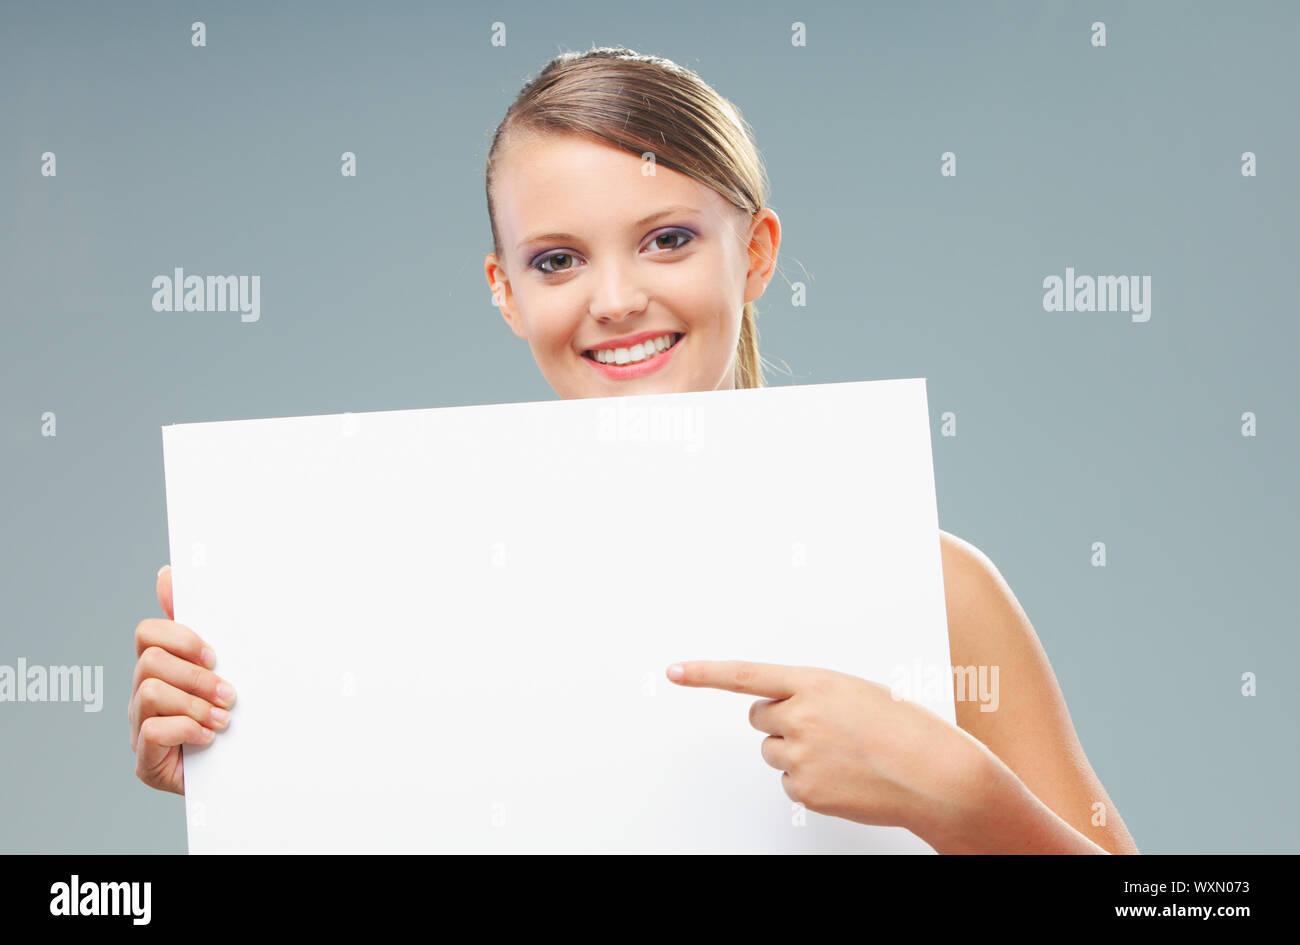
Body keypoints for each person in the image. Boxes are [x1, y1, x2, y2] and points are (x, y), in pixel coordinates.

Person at [131, 45, 1139, 854]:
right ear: (505, 291)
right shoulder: (400, 602)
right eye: (557, 259)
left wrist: (964, 799)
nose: (615, 299)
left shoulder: (935, 587)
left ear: (755, 252)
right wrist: (250, 775)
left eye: (666, 239)